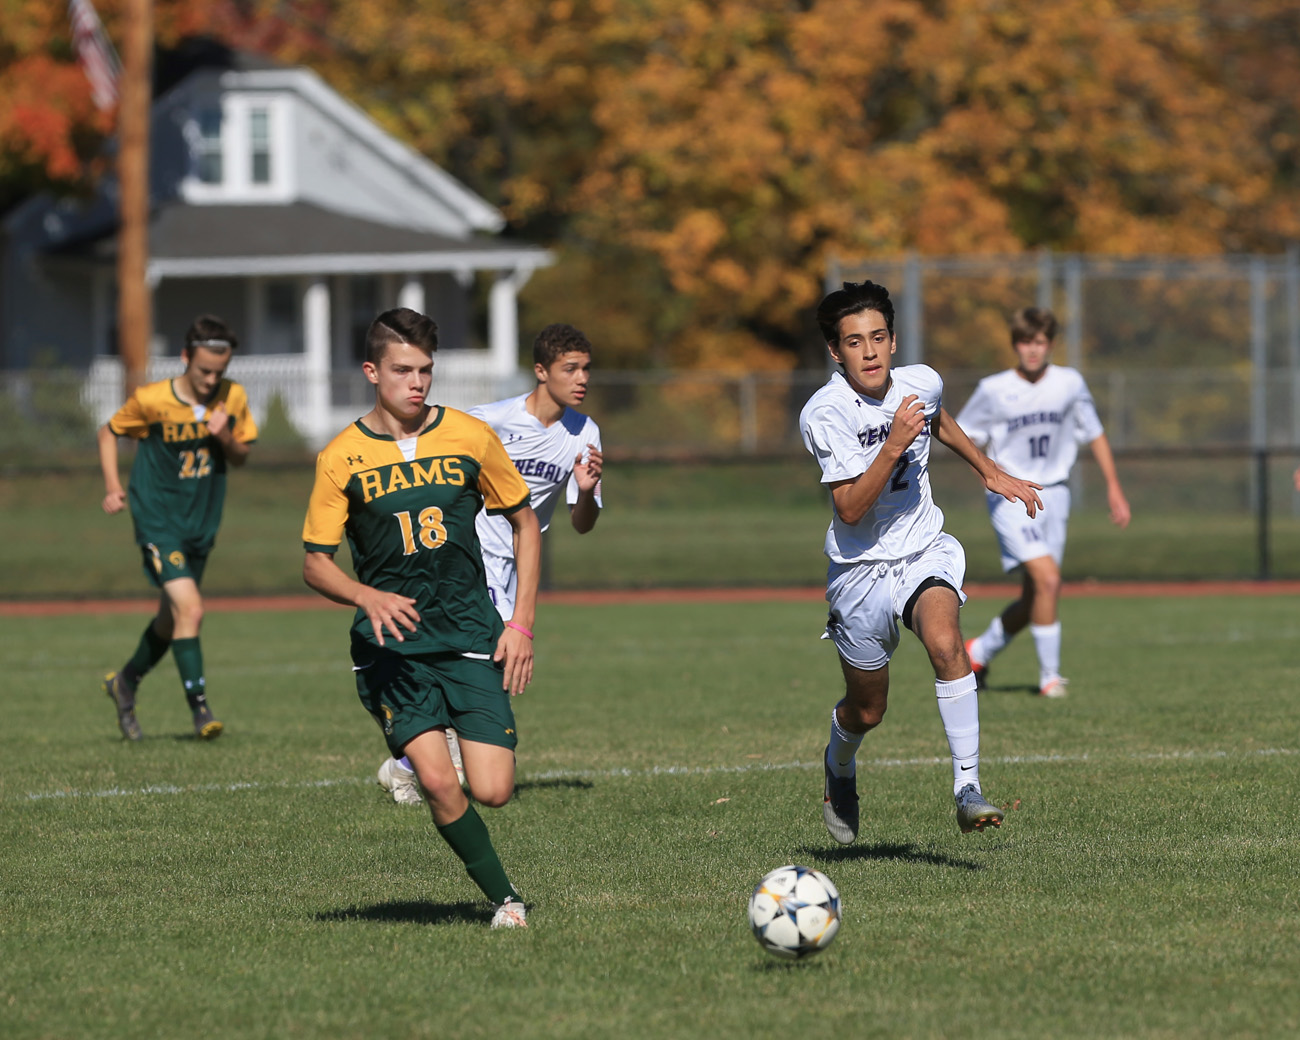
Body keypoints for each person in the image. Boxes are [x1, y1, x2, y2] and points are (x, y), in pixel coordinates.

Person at [302, 307, 542, 929]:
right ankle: (505, 900)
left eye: (426, 370)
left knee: (493, 790)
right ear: (371, 371)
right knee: (440, 785)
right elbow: (316, 565)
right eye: (403, 370)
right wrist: (366, 597)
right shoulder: (341, 457)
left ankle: (438, 745)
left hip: (468, 631)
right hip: (392, 647)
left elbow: (524, 523)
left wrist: (520, 625)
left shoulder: (468, 435)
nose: (417, 382)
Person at [799, 280, 1043, 843]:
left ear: (892, 340)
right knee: (868, 711)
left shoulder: (920, 382)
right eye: (855, 342)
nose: (870, 352)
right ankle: (839, 767)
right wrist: (892, 444)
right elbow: (851, 509)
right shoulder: (825, 413)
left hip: (922, 548)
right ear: (836, 352)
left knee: (945, 640)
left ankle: (968, 788)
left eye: (879, 338)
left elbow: (940, 419)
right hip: (859, 573)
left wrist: (989, 470)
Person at [376, 322, 603, 806]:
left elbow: (582, 524)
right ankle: (433, 757)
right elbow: (433, 440)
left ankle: (406, 762)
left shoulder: (585, 432)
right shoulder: (491, 419)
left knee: (479, 661)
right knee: (486, 660)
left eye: (586, 368)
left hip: (517, 563)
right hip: (467, 556)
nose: (582, 378)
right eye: (571, 368)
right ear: (541, 372)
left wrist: (584, 492)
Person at [956, 307, 1131, 698]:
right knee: (1049, 579)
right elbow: (964, 439)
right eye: (1024, 342)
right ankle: (1050, 677)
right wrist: (992, 479)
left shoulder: (1069, 383)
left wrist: (1114, 487)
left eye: (1038, 342)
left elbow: (1096, 433)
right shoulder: (993, 389)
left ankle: (977, 653)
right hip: (1011, 497)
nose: (1031, 350)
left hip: (1056, 494)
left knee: (1039, 593)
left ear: (1050, 344)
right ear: (1015, 345)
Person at [98, 315, 258, 741]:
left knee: (172, 622)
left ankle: (125, 682)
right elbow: (108, 432)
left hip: (200, 522)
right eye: (203, 370)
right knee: (192, 609)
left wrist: (224, 437)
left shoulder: (233, 397)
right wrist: (114, 486)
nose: (211, 379)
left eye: (219, 372)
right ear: (185, 356)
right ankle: (200, 710)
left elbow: (241, 456)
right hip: (157, 519)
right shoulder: (152, 400)